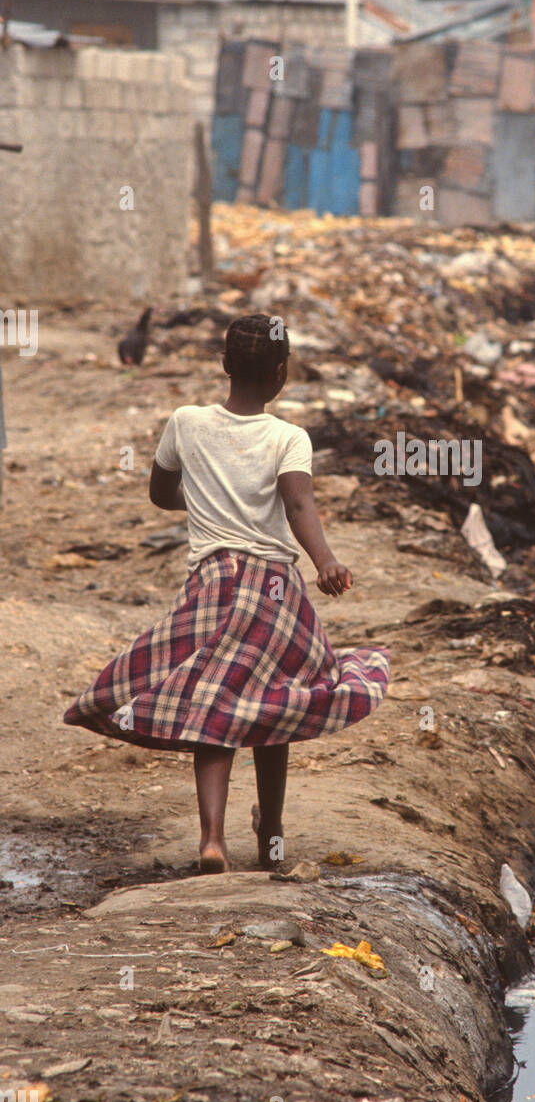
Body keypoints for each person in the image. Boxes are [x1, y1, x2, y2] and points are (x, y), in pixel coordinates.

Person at [64, 313, 389, 873]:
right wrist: (327, 561)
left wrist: (212, 502)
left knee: (212, 705)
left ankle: (212, 840)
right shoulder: (289, 437)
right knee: (276, 701)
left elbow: (161, 493)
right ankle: (272, 835)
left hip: (213, 587)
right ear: (282, 373)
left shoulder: (185, 422)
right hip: (273, 592)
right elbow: (299, 506)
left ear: (224, 365)